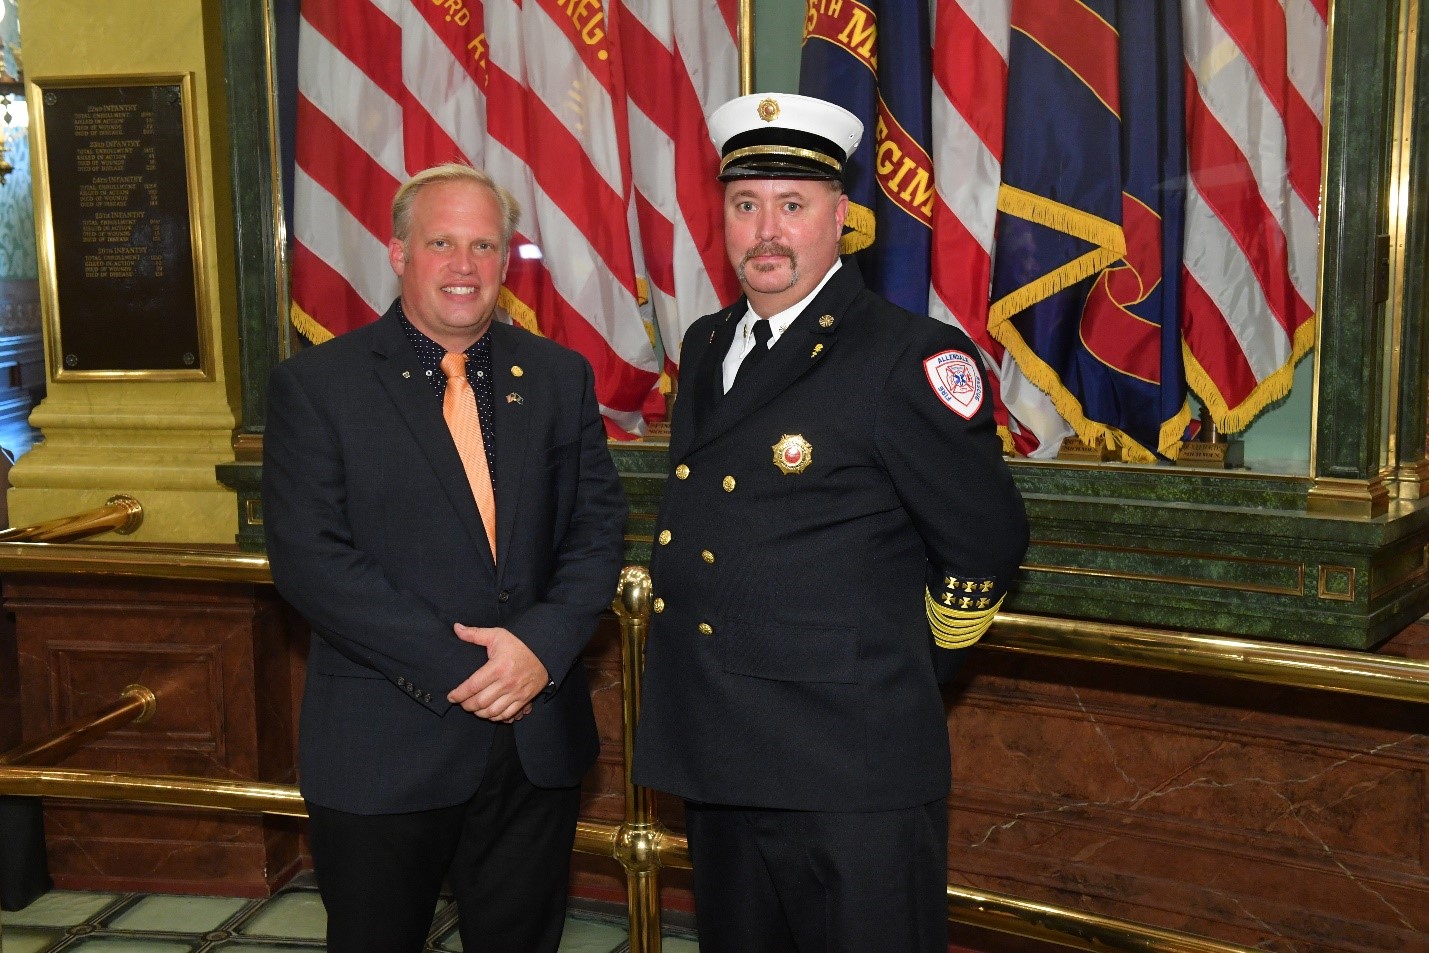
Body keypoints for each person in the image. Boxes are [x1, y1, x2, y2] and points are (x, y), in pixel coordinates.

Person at [632, 93, 1030, 953]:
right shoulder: (706, 343)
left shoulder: (908, 355)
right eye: (745, 205)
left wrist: (894, 670)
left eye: (792, 205)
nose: (765, 231)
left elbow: (985, 540)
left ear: (841, 218)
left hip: (847, 759)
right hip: (719, 740)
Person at [263, 163, 627, 953]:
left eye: (483, 246)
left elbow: (598, 529)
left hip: (534, 738)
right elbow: (311, 560)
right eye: (440, 243)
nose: (463, 266)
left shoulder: (558, 378)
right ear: (398, 254)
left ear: (505, 261)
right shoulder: (317, 385)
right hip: (385, 741)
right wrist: (470, 670)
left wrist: (537, 651)